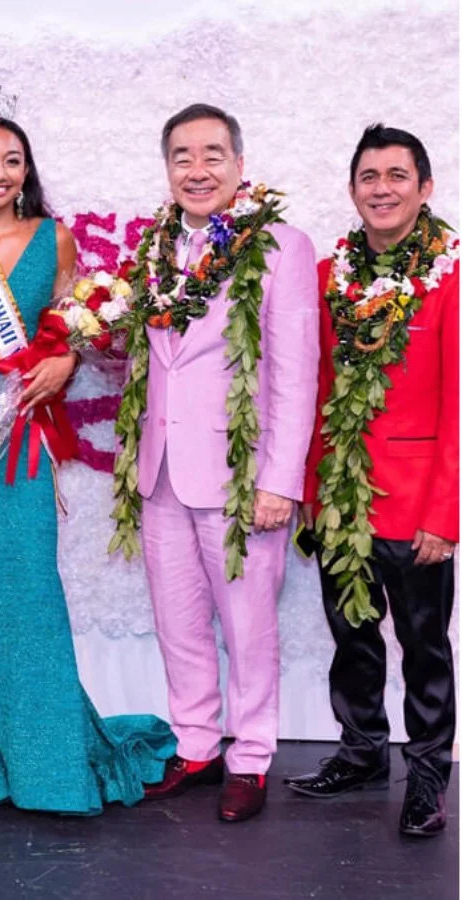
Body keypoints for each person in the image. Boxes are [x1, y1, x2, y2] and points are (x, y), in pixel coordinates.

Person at [0, 91, 175, 816]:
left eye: (13, 160)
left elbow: (73, 322)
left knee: (26, 590)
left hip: (19, 428)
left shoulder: (54, 239)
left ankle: (48, 769)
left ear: (27, 170)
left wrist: (66, 361)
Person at [134, 103, 318, 822]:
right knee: (178, 621)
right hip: (161, 471)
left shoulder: (280, 247)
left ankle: (251, 757)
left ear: (239, 165)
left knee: (248, 626)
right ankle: (196, 745)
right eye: (182, 156)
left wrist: (280, 480)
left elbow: (295, 374)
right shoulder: (156, 248)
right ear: (167, 168)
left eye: (212, 154)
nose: (197, 169)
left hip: (242, 478)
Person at [285, 125, 458, 838]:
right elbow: (313, 386)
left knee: (424, 649)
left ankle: (429, 776)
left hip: (417, 504)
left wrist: (445, 514)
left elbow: (459, 404)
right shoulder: (330, 276)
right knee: (351, 640)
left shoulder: (451, 279)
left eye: (396, 175)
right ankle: (360, 754)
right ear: (353, 189)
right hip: (341, 500)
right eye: (369, 177)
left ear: (425, 187)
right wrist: (308, 489)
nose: (381, 189)